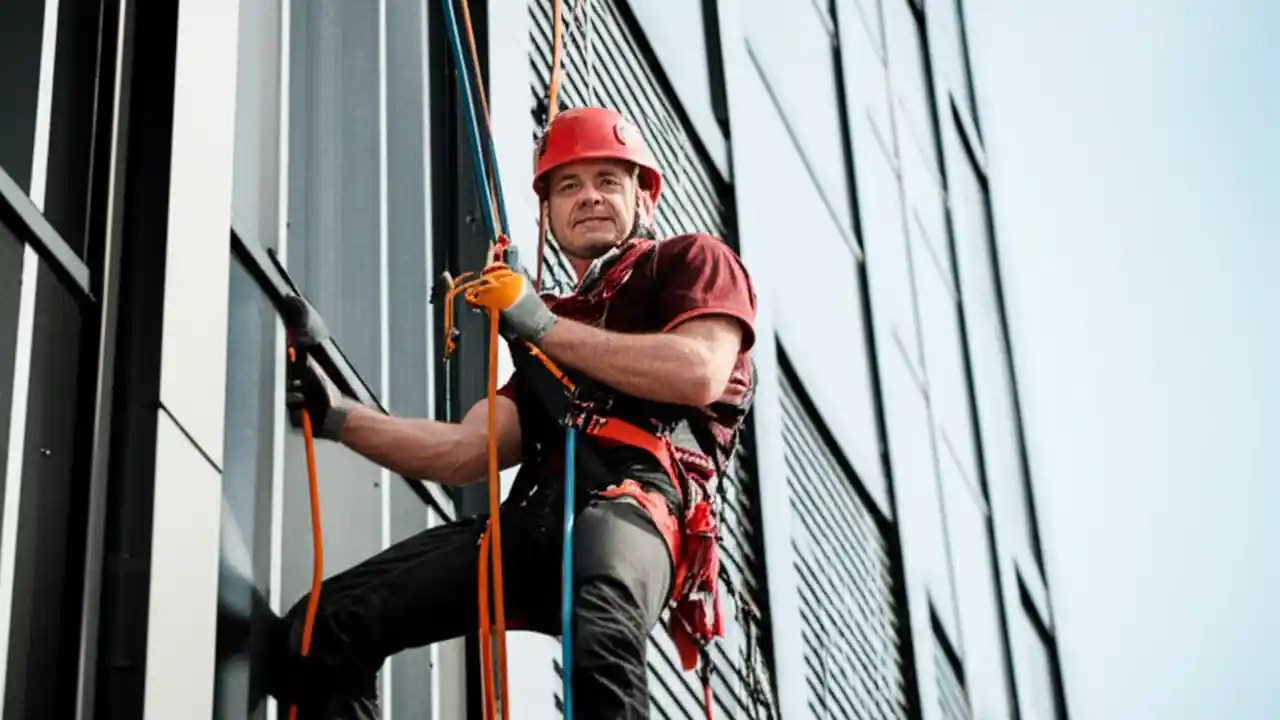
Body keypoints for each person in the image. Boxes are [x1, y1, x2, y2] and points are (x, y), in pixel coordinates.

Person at [267, 106, 758, 719]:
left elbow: (699, 370)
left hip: (641, 500)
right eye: (568, 186)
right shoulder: (551, 337)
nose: (589, 197)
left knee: (602, 626)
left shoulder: (689, 262)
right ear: (547, 213)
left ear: (644, 197)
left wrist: (540, 325)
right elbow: (465, 452)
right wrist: (339, 416)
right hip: (539, 519)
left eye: (608, 180)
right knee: (326, 627)